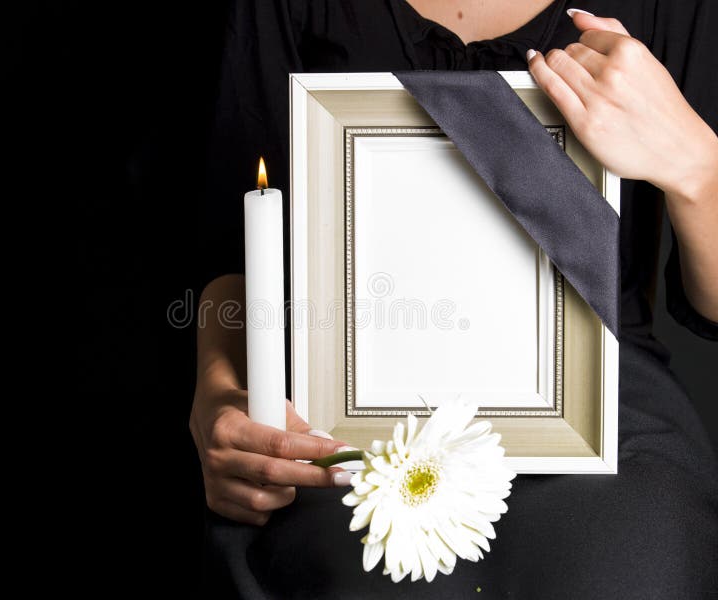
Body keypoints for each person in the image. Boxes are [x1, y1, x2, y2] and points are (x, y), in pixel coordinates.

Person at [190, 0, 718, 597]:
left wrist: (698, 169)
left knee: (630, 564)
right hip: (346, 395)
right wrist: (216, 391)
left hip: (602, 396)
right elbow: (234, 247)